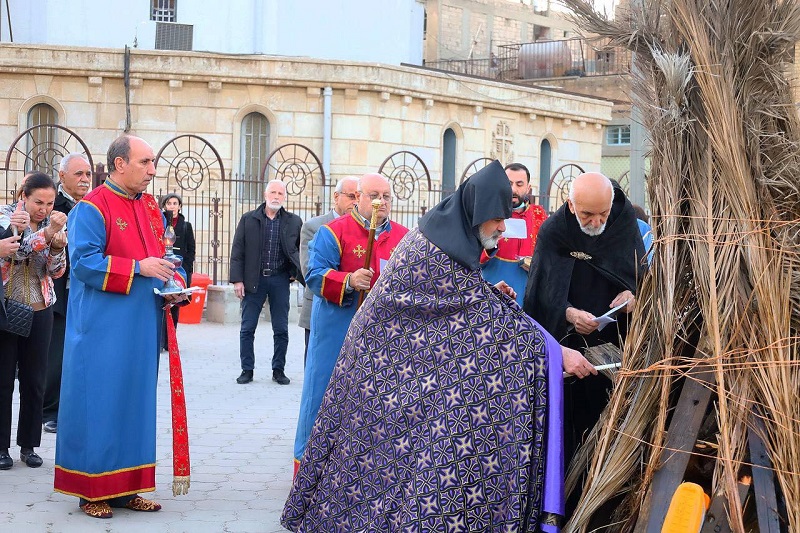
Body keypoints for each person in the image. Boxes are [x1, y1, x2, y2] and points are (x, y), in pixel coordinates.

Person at [282, 160, 596, 532]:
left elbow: (463, 301)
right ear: (478, 214)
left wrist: (490, 296)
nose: (501, 227)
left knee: (392, 472)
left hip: (388, 369)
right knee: (376, 474)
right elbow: (472, 305)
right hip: (382, 372)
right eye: (497, 219)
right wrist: (555, 352)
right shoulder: (439, 250)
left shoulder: (446, 236)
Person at [54, 135, 188, 519]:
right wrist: (137, 269)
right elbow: (83, 264)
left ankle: (129, 485)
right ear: (119, 164)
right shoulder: (92, 208)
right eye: (145, 162)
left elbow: (161, 258)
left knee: (135, 402)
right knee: (100, 402)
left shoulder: (149, 207)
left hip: (142, 325)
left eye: (152, 163)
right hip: (101, 328)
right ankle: (91, 489)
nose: (152, 170)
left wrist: (173, 287)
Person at [522, 172, 647, 474]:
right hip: (570, 347)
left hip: (616, 344)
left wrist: (632, 297)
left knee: (610, 426)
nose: (596, 222)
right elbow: (540, 293)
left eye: (602, 214)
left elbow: (641, 278)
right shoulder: (555, 230)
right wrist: (569, 313)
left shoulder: (622, 220)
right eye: (587, 215)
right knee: (571, 429)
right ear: (570, 205)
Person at [292, 173, 409, 472]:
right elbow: (315, 275)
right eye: (373, 195)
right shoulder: (333, 232)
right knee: (323, 397)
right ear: (358, 198)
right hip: (337, 329)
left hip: (383, 336)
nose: (381, 202)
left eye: (386, 196)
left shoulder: (403, 237)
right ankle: (309, 471)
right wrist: (349, 279)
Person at [0, 173, 67, 470]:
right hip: (7, 309)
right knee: (2, 382)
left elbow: (56, 272)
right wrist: (45, 234)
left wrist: (56, 248)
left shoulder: (53, 224)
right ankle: (1, 448)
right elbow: (21, 249)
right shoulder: (5, 217)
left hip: (41, 309)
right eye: (38, 201)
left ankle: (29, 446)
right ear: (23, 196)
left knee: (35, 381)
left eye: (49, 203)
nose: (43, 208)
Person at [230, 180, 303, 385]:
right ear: (265, 194)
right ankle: (247, 369)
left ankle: (278, 370)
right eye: (273, 192)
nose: (276, 196)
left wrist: (294, 273)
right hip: (254, 280)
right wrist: (237, 280)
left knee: (281, 328)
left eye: (280, 193)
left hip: (280, 280)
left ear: (285, 197)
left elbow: (300, 251)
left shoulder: (294, 221)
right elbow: (238, 251)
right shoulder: (248, 219)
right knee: (247, 327)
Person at [42, 153, 92, 435]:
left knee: (81, 353)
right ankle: (50, 412)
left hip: (88, 291)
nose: (85, 179)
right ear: (62, 177)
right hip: (58, 290)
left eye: (87, 174)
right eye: (79, 174)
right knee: (56, 355)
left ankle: (76, 410)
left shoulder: (94, 205)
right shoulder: (52, 206)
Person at [297, 176, 358, 365]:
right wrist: (348, 280)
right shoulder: (314, 226)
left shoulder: (363, 229)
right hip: (320, 306)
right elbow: (309, 269)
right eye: (350, 196)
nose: (355, 202)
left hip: (353, 311)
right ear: (336, 196)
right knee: (318, 366)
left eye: (359, 196)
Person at [480, 162, 547, 305]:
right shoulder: (487, 212)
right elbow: (472, 256)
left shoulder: (539, 214)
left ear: (528, 188)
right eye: (509, 183)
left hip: (527, 292)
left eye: (519, 184)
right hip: (493, 287)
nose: (513, 189)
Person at [160, 193, 196, 351]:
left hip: (179, 271)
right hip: (161, 268)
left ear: (179, 206)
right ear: (164, 206)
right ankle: (160, 341)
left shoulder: (186, 226)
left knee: (174, 304)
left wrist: (185, 270)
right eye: (169, 203)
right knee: (160, 304)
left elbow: (191, 250)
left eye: (175, 203)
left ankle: (170, 341)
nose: (172, 206)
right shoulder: (159, 223)